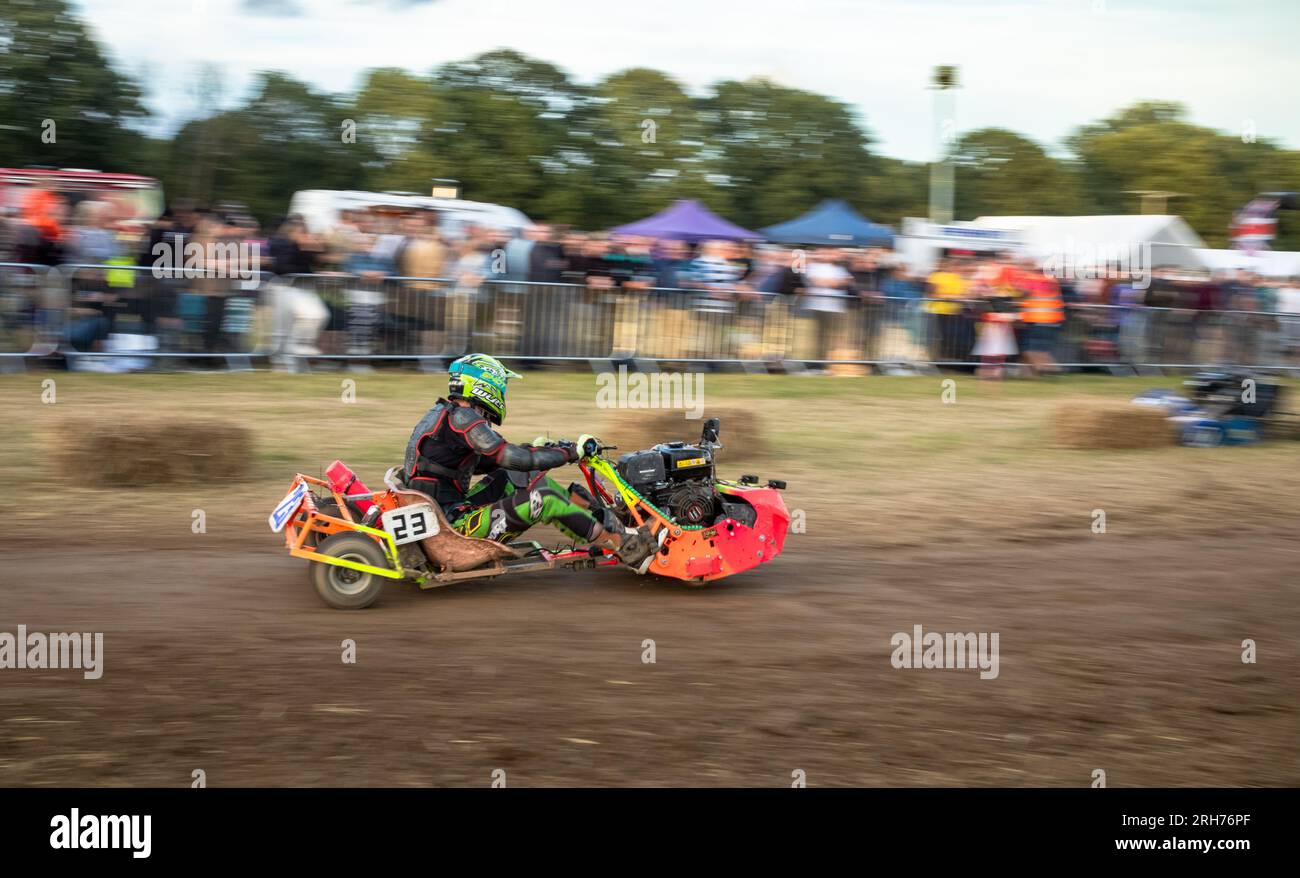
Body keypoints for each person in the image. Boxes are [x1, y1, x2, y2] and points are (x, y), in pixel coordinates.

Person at [403, 354, 661, 570]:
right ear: (485, 385)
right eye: (501, 385)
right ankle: (625, 547)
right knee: (544, 498)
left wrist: (540, 452)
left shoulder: (447, 414)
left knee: (525, 477)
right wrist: (570, 453)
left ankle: (618, 527)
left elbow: (486, 461)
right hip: (453, 530)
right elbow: (512, 457)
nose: (503, 391)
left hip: (445, 516)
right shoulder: (463, 419)